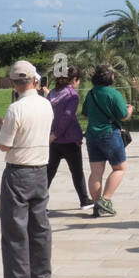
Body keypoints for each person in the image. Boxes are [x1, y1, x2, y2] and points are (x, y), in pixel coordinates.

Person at [0, 59, 54, 278]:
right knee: (40, 229)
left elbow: (4, 144)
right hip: (40, 171)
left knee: (15, 231)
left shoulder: (16, 109)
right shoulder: (46, 105)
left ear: (14, 83)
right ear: (35, 80)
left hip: (18, 172)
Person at [82, 65, 133, 217]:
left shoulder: (90, 94)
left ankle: (97, 204)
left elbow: (85, 113)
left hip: (91, 136)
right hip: (109, 134)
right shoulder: (113, 93)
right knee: (119, 168)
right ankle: (105, 200)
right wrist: (130, 109)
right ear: (110, 78)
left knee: (96, 172)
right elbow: (123, 115)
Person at [47, 65, 92, 210]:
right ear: (74, 80)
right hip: (69, 139)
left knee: (48, 173)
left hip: (53, 140)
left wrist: (52, 135)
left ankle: (38, 203)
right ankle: (84, 200)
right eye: (78, 80)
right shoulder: (72, 95)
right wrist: (56, 134)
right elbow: (67, 117)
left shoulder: (52, 94)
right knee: (77, 172)